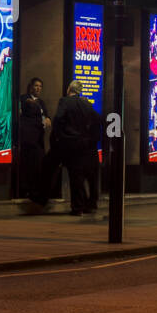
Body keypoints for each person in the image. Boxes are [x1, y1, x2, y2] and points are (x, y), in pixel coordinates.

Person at [50, 81, 102, 214]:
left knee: (76, 177)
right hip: (87, 145)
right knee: (89, 176)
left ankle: (77, 207)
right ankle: (89, 205)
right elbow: (98, 119)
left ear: (69, 89)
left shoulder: (65, 101)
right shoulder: (86, 104)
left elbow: (58, 119)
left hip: (72, 145)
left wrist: (59, 136)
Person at [18, 77, 51, 203]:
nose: (38, 88)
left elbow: (46, 116)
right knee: (28, 163)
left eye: (40, 86)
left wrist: (47, 119)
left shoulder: (41, 102)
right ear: (31, 86)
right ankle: (26, 189)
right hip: (28, 137)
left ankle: (36, 189)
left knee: (38, 163)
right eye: (36, 85)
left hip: (39, 137)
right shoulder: (24, 98)